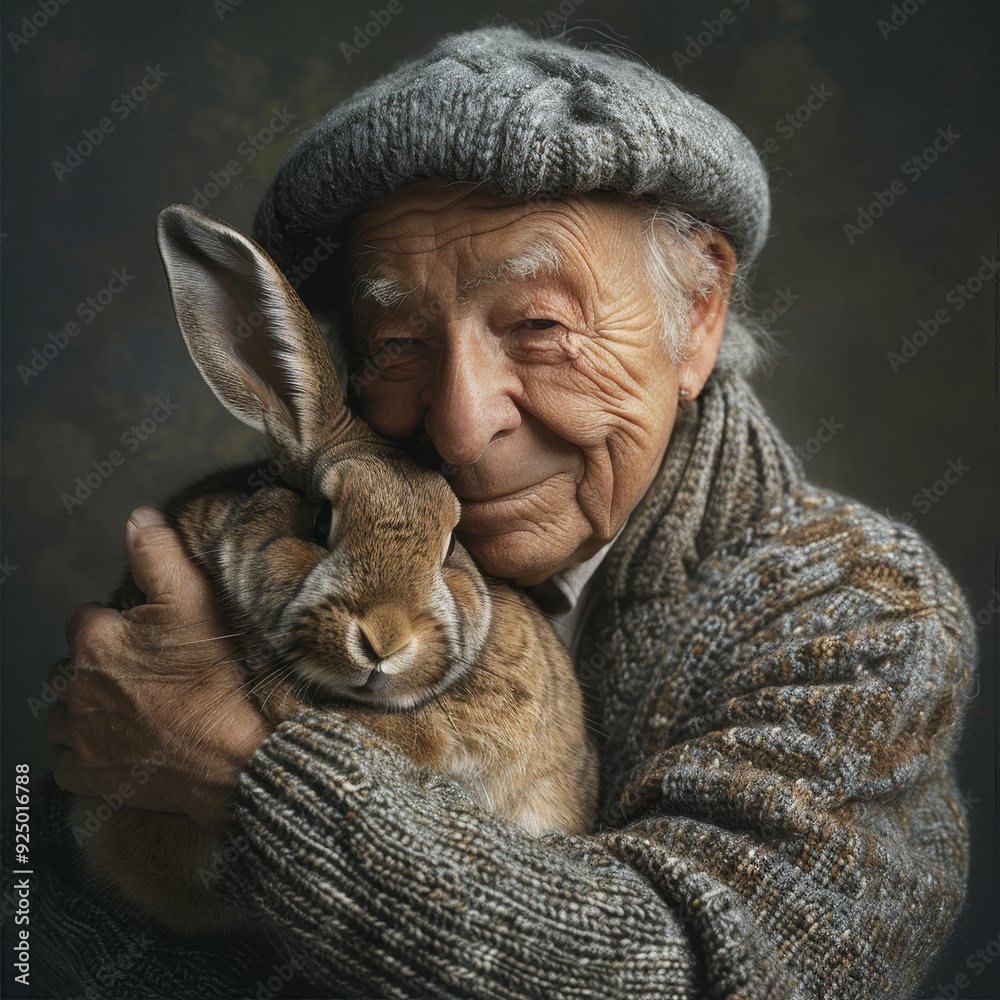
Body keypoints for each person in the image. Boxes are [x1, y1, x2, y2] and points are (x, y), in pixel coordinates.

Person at [24, 23, 976, 1000]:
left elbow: (702, 972)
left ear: (695, 319)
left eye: (540, 326)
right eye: (396, 340)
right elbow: (56, 910)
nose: (464, 422)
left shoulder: (861, 615)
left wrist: (243, 770)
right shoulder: (268, 543)